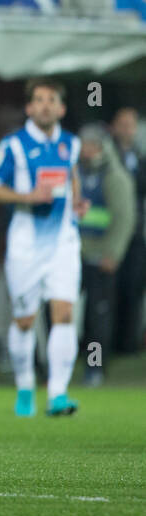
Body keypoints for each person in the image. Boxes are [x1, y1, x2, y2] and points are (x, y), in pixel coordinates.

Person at [0, 79, 85, 418]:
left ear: (61, 108)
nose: (44, 106)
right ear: (29, 108)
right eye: (38, 100)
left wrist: (78, 202)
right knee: (25, 320)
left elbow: (72, 180)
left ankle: (58, 393)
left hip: (63, 244)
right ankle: (25, 386)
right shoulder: (13, 145)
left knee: (64, 313)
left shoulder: (72, 143)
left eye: (51, 100)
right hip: (25, 245)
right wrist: (26, 197)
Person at [76, 123, 136, 386]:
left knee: (97, 317)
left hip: (101, 257)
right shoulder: (76, 172)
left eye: (91, 146)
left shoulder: (114, 175)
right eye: (83, 146)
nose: (86, 151)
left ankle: (95, 369)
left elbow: (124, 218)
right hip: (75, 255)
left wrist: (113, 253)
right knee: (63, 312)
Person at [109, 107, 145, 354]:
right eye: (122, 124)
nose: (126, 130)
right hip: (109, 236)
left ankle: (128, 345)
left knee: (133, 289)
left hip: (135, 234)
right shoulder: (105, 159)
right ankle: (102, 345)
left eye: (131, 125)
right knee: (107, 291)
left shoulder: (140, 160)